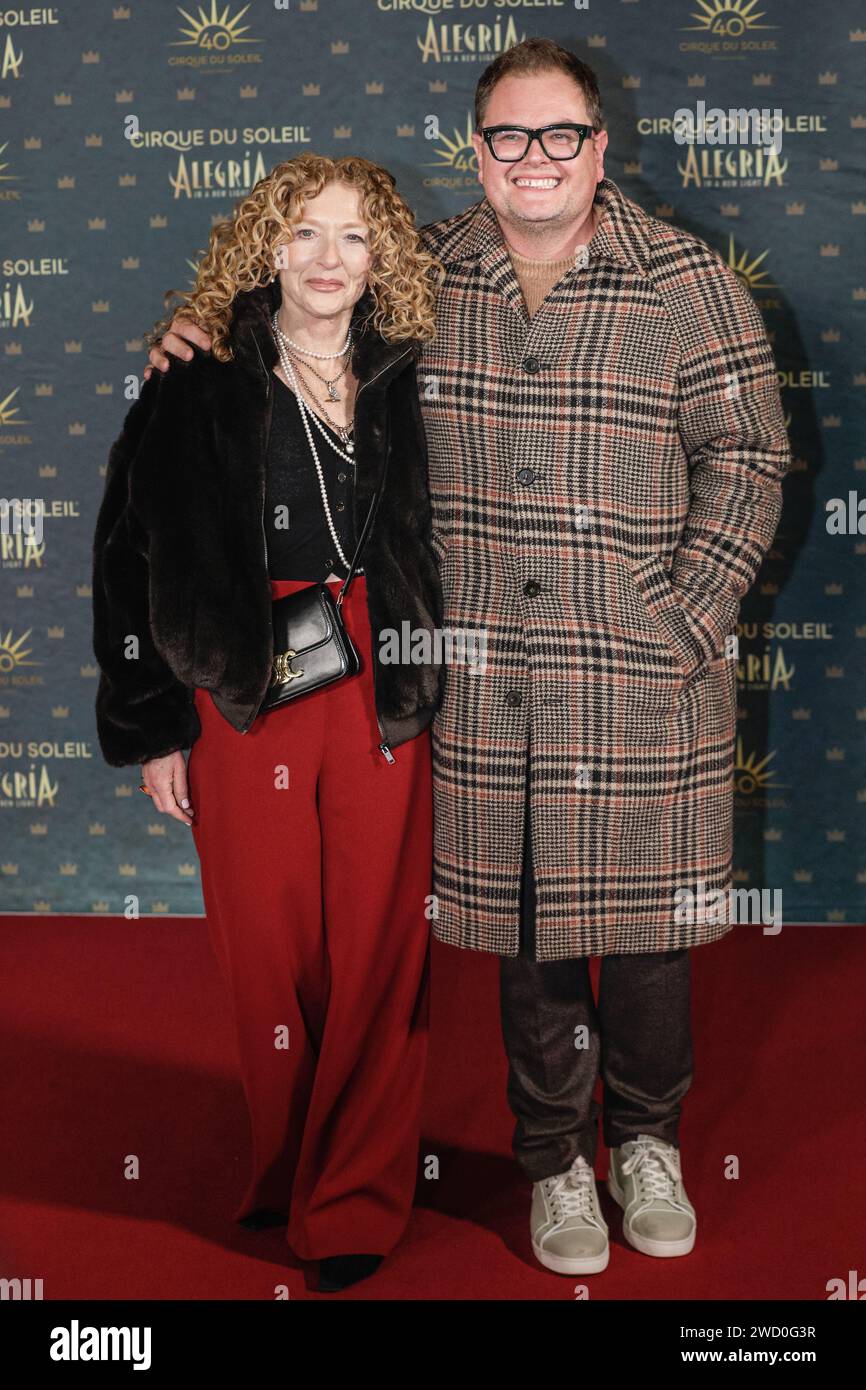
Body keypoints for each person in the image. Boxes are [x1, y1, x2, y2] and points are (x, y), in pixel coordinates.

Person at [145, 40, 791, 1277]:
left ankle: (645, 1139)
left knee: (648, 932)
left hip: (643, 668)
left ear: (599, 149)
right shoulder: (424, 270)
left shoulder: (689, 283)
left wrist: (687, 617)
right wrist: (195, 335)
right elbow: (295, 312)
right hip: (483, 674)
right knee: (530, 926)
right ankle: (553, 1158)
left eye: (559, 137)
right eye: (508, 137)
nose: (533, 160)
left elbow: (749, 456)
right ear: (477, 153)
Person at [92, 155, 445, 1292]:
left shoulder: (408, 367)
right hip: (251, 689)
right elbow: (123, 554)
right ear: (265, 249)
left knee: (381, 949)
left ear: (381, 256)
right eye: (304, 234)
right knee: (269, 953)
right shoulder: (198, 376)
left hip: (384, 682)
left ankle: (349, 1200)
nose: (329, 259)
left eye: (353, 237)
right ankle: (289, 1160)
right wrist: (151, 725)